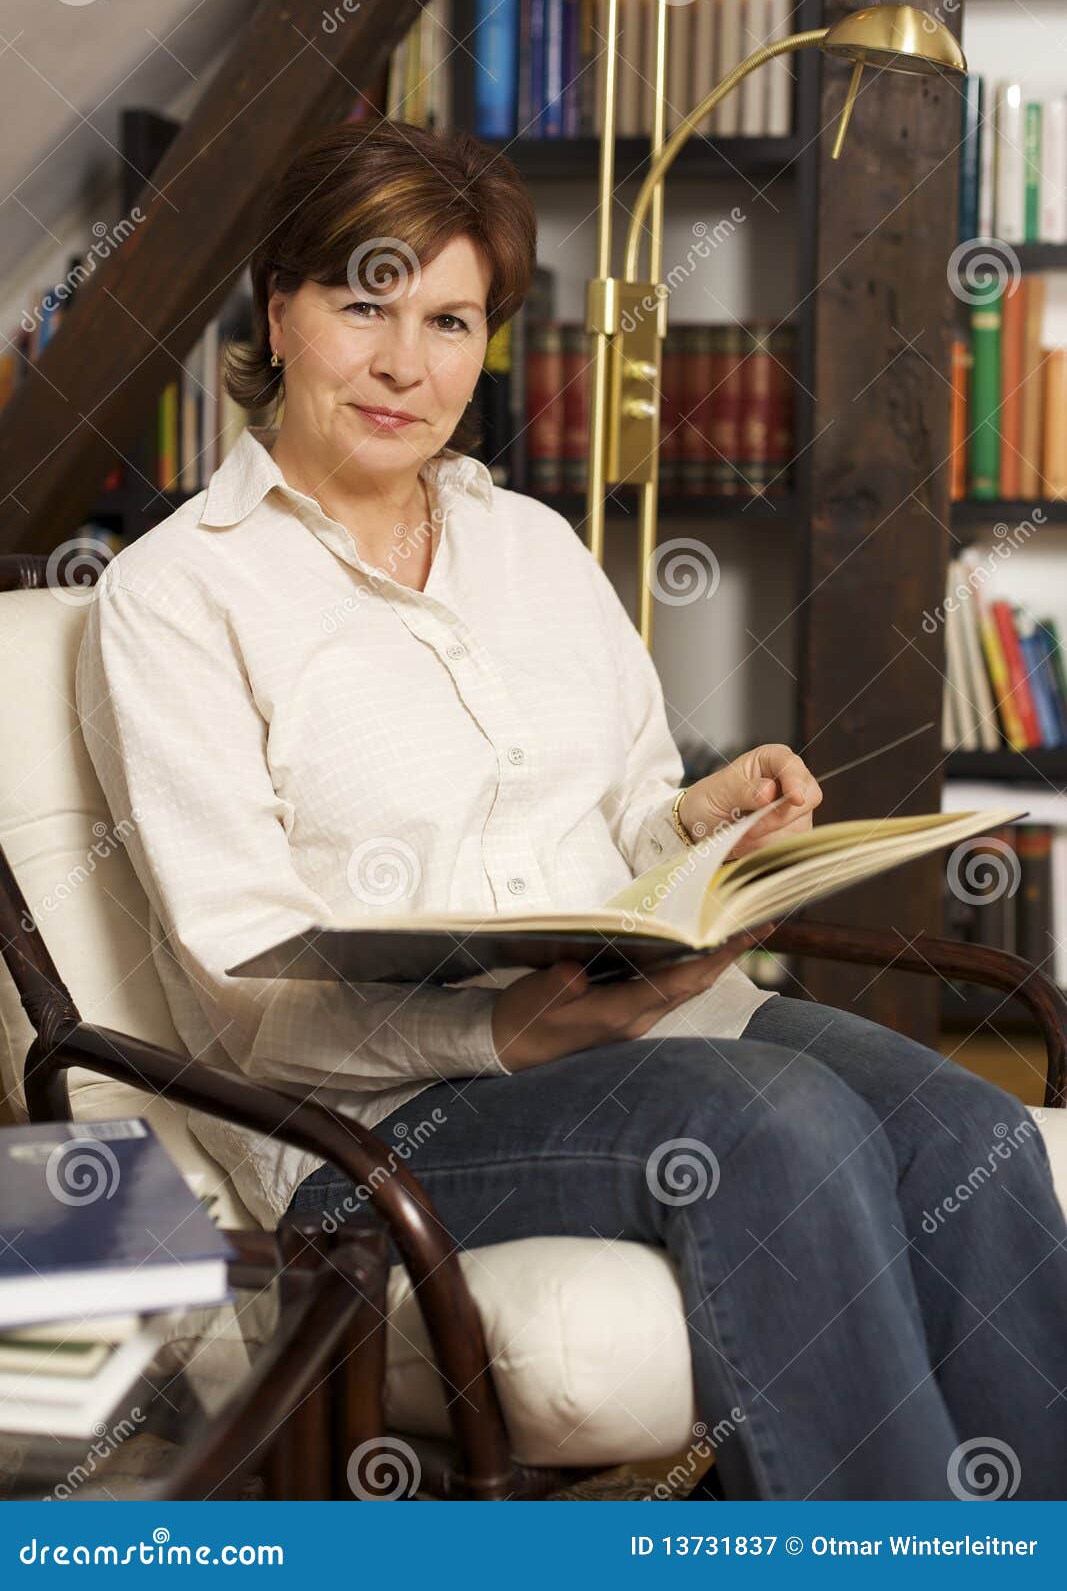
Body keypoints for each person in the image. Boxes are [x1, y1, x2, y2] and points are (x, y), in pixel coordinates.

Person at [76, 119, 1067, 1500]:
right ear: (279, 309)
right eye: (364, 304)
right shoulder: (175, 595)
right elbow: (238, 987)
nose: (405, 363)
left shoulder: (534, 547)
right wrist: (499, 1030)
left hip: (656, 1029)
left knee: (977, 1132)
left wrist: (702, 827)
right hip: (387, 1117)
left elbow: (627, 825)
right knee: (780, 1127)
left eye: (450, 320)